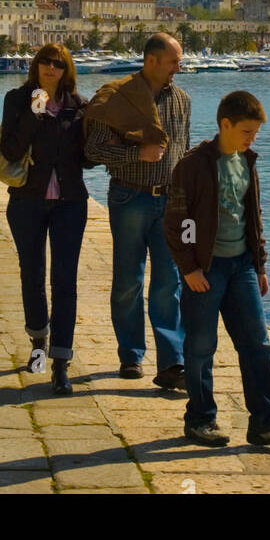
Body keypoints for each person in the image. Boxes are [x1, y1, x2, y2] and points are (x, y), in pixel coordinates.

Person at [163, 89, 270, 449]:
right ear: (225, 124)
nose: (252, 139)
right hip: (205, 271)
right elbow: (177, 223)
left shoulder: (248, 161)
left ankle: (267, 423)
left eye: (255, 133)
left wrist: (260, 265)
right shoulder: (192, 166)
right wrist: (190, 269)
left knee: (258, 344)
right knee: (200, 347)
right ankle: (200, 421)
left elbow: (252, 218)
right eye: (246, 132)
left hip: (242, 267)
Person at [84, 33, 190, 387]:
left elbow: (183, 154)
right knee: (128, 280)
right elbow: (94, 150)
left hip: (171, 202)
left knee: (168, 283)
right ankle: (131, 356)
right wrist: (135, 154)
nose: (179, 67)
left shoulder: (182, 102)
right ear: (151, 61)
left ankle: (171, 364)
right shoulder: (116, 97)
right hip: (129, 198)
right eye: (174, 61)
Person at [0, 44, 91, 396]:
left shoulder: (79, 106)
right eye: (44, 62)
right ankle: (38, 341)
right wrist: (35, 112)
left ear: (66, 69)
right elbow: (10, 150)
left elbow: (88, 158)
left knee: (65, 281)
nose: (50, 68)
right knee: (32, 274)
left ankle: (61, 363)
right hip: (27, 201)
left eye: (58, 63)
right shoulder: (17, 99)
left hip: (70, 203)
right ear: (36, 66)